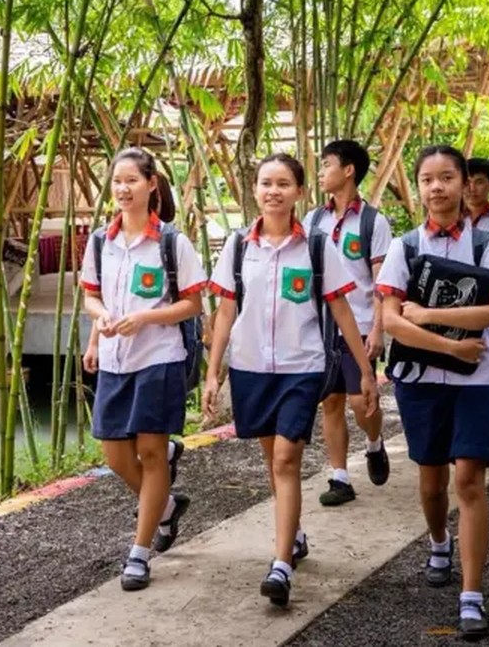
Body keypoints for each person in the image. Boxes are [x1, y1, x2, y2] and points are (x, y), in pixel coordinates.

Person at [203, 153, 377, 608]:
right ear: (254, 190)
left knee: (285, 458)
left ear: (300, 192)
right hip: (250, 367)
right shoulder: (238, 246)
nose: (273, 191)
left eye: (283, 183)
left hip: (302, 367)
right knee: (272, 458)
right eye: (266, 183)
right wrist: (213, 373)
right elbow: (225, 312)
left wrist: (366, 372)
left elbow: (341, 310)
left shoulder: (317, 247)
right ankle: (294, 534)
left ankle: (280, 565)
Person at [376, 145, 489, 641]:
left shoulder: (485, 244)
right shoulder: (406, 247)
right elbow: (392, 320)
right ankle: (439, 541)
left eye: (448, 177)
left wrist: (429, 315)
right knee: (432, 483)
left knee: (469, 481)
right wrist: (450, 347)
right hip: (421, 379)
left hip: (478, 379)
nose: (437, 187)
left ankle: (472, 596)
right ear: (419, 187)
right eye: (428, 179)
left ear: (464, 183)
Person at [80, 147, 205, 592]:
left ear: (152, 184)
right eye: (117, 181)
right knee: (116, 456)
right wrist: (98, 328)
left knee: (151, 453)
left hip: (159, 359)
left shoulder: (172, 242)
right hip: (115, 361)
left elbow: (193, 303)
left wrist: (146, 318)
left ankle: (139, 552)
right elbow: (91, 296)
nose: (123, 188)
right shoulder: (101, 241)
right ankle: (167, 507)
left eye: (132, 180)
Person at [303, 140, 391, 507]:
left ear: (349, 170)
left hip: (360, 325)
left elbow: (381, 283)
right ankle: (339, 476)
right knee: (331, 401)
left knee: (360, 400)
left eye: (327, 164)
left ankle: (374, 442)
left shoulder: (373, 222)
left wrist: (379, 329)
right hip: (322, 328)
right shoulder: (313, 220)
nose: (321, 172)